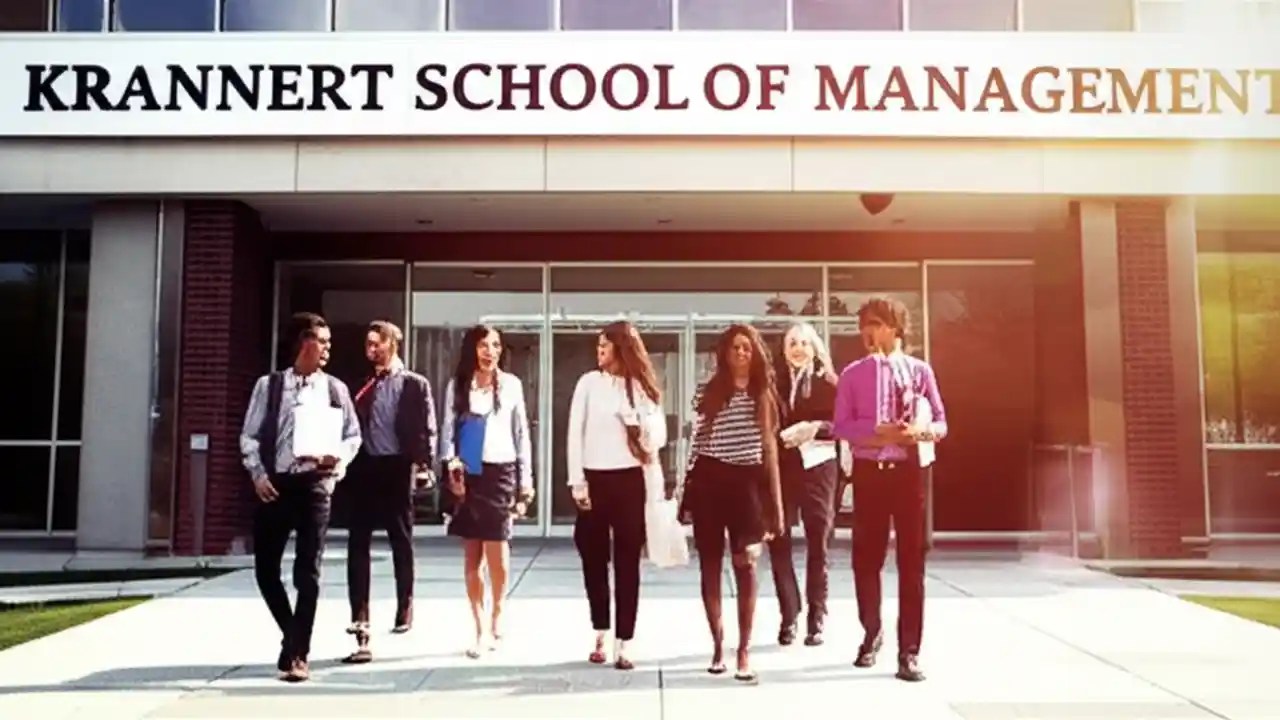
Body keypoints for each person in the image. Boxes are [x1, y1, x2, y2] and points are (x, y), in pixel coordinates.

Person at [238, 312, 362, 682]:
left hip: (314, 486)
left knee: (307, 573)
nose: (327, 348)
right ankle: (291, 634)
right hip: (275, 486)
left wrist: (335, 466)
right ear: (301, 343)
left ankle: (298, 655)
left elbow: (352, 436)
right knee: (266, 571)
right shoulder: (269, 386)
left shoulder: (335, 389)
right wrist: (257, 476)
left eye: (328, 341)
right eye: (320, 340)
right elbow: (249, 436)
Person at [833, 296, 947, 683]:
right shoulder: (852, 374)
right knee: (866, 558)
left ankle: (909, 652)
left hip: (909, 473)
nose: (870, 332)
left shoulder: (919, 371)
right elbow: (841, 425)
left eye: (878, 324)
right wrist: (873, 433)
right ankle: (871, 632)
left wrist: (920, 431)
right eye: (865, 324)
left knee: (912, 561)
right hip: (869, 472)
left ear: (896, 328)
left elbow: (943, 422)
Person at [680, 324, 784, 683]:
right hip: (710, 481)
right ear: (725, 353)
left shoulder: (764, 394)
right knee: (710, 563)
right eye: (735, 348)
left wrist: (774, 507)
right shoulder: (708, 391)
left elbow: (770, 451)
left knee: (747, 564)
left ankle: (744, 649)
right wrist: (685, 490)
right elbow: (696, 442)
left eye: (747, 348)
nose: (741, 353)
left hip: (747, 484)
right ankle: (718, 644)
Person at [567, 320, 667, 671]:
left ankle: (625, 641)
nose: (600, 352)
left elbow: (657, 440)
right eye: (597, 346)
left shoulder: (640, 388)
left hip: (629, 481)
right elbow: (574, 434)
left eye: (605, 346)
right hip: (594, 479)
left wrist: (638, 424)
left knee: (628, 563)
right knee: (593, 558)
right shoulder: (588, 384)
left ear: (622, 348)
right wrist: (577, 482)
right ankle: (600, 630)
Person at [342, 320, 437, 664]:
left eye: (376, 343)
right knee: (358, 541)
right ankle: (360, 613)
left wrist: (424, 465)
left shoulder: (413, 384)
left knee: (401, 538)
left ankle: (404, 604)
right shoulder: (363, 383)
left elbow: (427, 427)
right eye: (367, 344)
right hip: (365, 465)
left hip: (397, 465)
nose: (371, 350)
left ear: (392, 344)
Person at [438, 324, 535, 658]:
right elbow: (447, 432)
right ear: (472, 349)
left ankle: (498, 611)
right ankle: (479, 627)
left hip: (501, 471)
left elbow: (521, 434)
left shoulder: (511, 386)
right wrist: (450, 465)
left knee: (498, 548)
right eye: (483, 345)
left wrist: (526, 482)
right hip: (468, 473)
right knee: (472, 552)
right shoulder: (458, 386)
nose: (490, 351)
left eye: (495, 345)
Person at [768, 321, 840, 647]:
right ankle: (789, 614)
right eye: (792, 343)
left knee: (817, 543)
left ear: (815, 348)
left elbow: (845, 425)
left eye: (803, 343)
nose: (798, 349)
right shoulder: (775, 384)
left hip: (819, 469)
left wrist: (814, 427)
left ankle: (817, 616)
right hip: (783, 469)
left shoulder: (829, 383)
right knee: (778, 540)